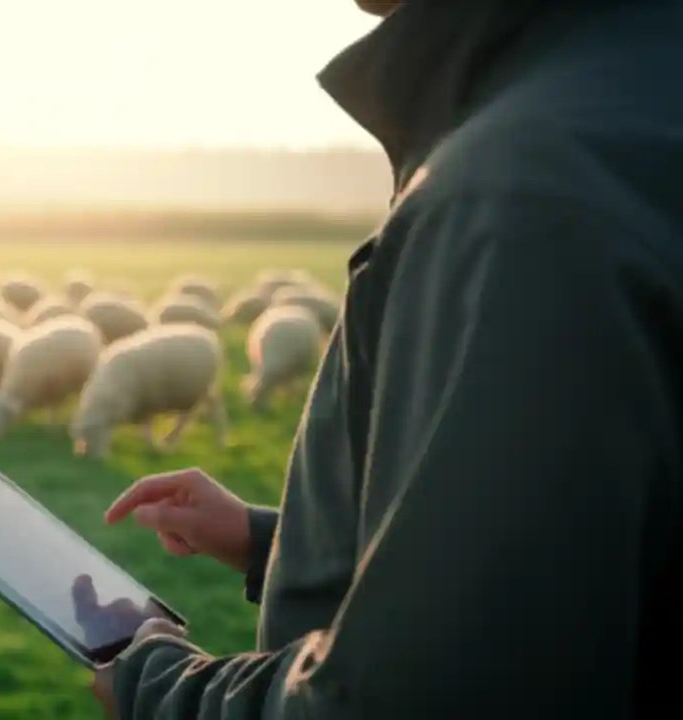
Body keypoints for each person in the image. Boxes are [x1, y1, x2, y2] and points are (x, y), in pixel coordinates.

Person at [91, 0, 683, 716]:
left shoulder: (521, 189)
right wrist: (278, 544)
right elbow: (561, 562)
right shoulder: (629, 95)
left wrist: (156, 685)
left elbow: (425, 696)